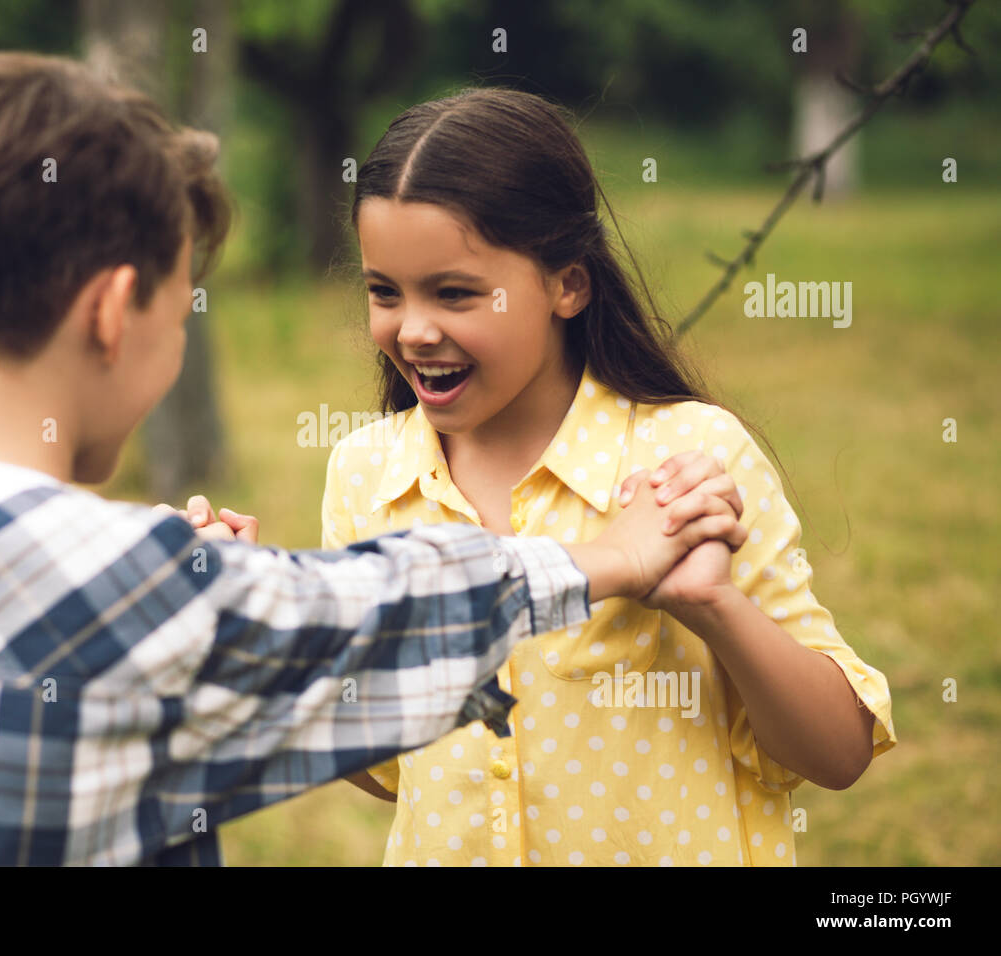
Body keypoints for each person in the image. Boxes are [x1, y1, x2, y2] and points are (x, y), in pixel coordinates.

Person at [0, 54, 747, 867]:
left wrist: (190, 586)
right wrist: (605, 559)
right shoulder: (142, 592)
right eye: (179, 312)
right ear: (109, 312)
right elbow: (388, 609)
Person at [326, 88, 896, 866]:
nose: (414, 329)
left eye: (454, 293)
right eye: (384, 291)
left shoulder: (690, 461)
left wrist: (715, 607)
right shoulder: (368, 476)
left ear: (569, 283)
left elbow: (837, 754)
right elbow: (390, 768)